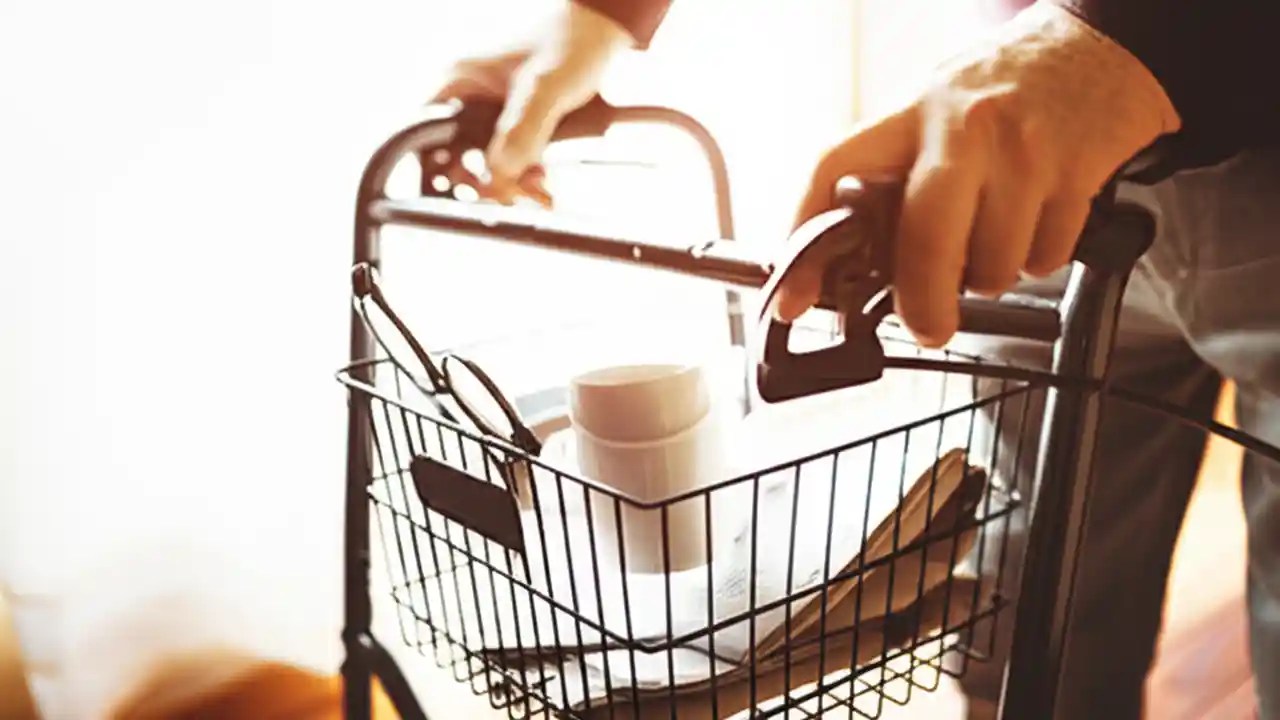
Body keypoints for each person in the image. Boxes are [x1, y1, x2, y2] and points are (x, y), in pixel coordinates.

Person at [430, 1, 1280, 718]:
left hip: (1212, 125)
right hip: (1025, 150)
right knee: (1034, 629)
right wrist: (602, 17)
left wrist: (1132, 26)